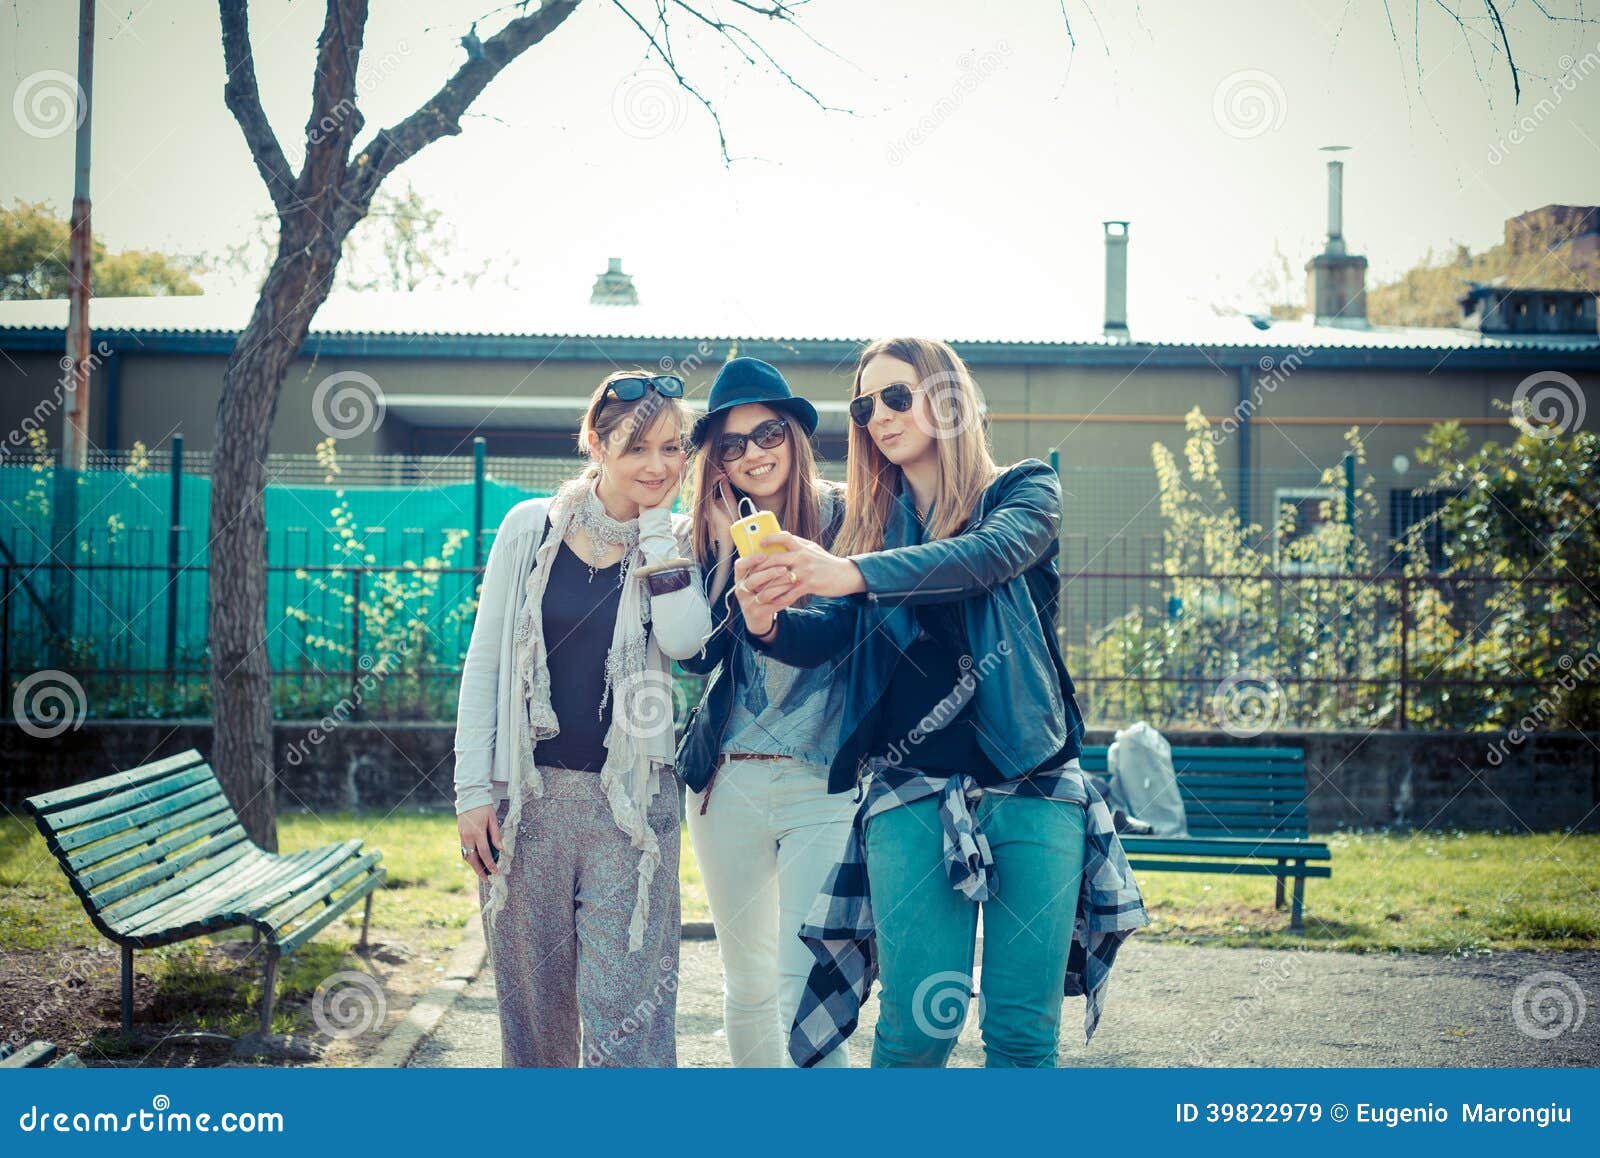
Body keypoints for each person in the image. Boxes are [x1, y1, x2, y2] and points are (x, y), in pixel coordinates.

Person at [729, 336, 1150, 1068]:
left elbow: (984, 558)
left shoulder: (1024, 490)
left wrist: (849, 572)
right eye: (865, 406)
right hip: (910, 793)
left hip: (1033, 786)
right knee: (914, 1034)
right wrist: (764, 623)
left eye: (898, 395)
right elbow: (831, 635)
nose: (881, 416)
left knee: (1022, 1034)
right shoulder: (868, 529)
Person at [452, 370, 710, 1067]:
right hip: (527, 802)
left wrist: (655, 533)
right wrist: (472, 793)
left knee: (628, 1022)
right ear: (596, 443)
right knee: (534, 1023)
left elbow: (687, 643)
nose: (659, 465)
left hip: (632, 807)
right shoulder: (529, 527)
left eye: (672, 447)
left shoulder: (677, 540)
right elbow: (486, 664)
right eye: (638, 447)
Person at [675, 357, 857, 1067]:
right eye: (732, 443)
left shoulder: (849, 514)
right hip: (730, 781)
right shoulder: (703, 534)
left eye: (768, 433)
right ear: (717, 461)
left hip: (823, 781)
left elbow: (857, 630)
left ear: (794, 436)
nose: (753, 452)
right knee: (748, 983)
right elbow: (695, 658)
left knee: (804, 984)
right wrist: (726, 555)